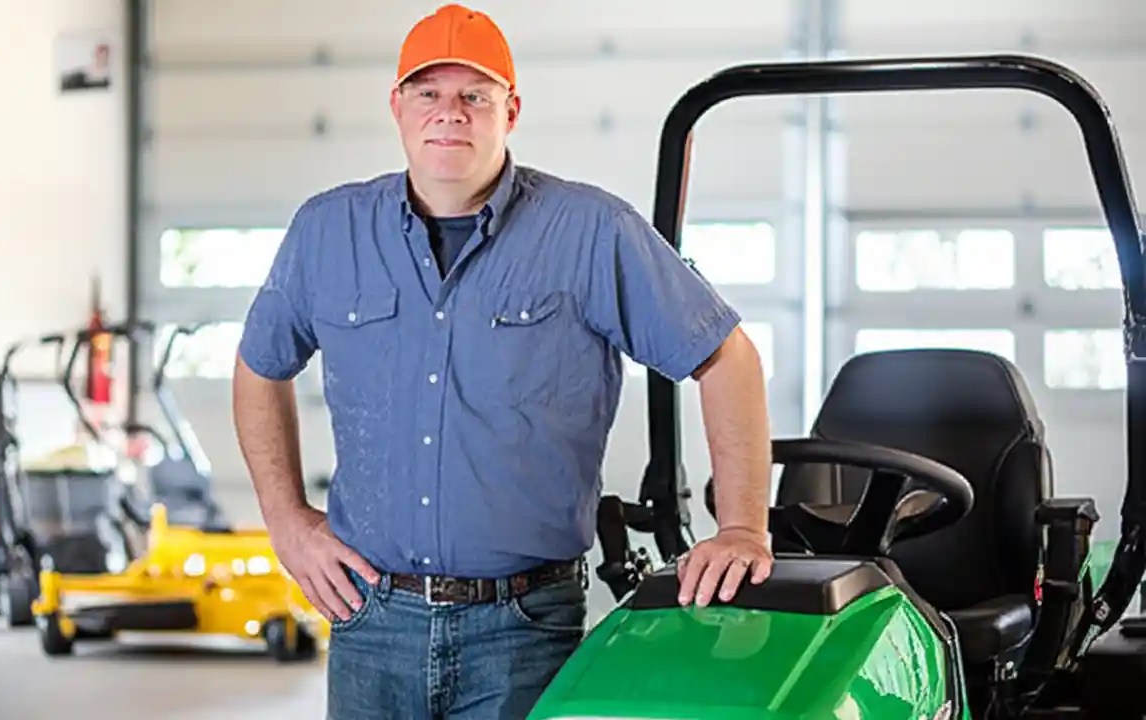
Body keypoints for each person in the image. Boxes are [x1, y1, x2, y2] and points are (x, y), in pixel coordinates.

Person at [232, 4, 774, 717]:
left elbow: (726, 358)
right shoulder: (327, 231)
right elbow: (258, 366)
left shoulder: (590, 232)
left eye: (473, 96)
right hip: (372, 624)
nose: (448, 113)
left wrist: (742, 528)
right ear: (397, 106)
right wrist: (286, 519)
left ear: (510, 110)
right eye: (429, 93)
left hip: (524, 629)